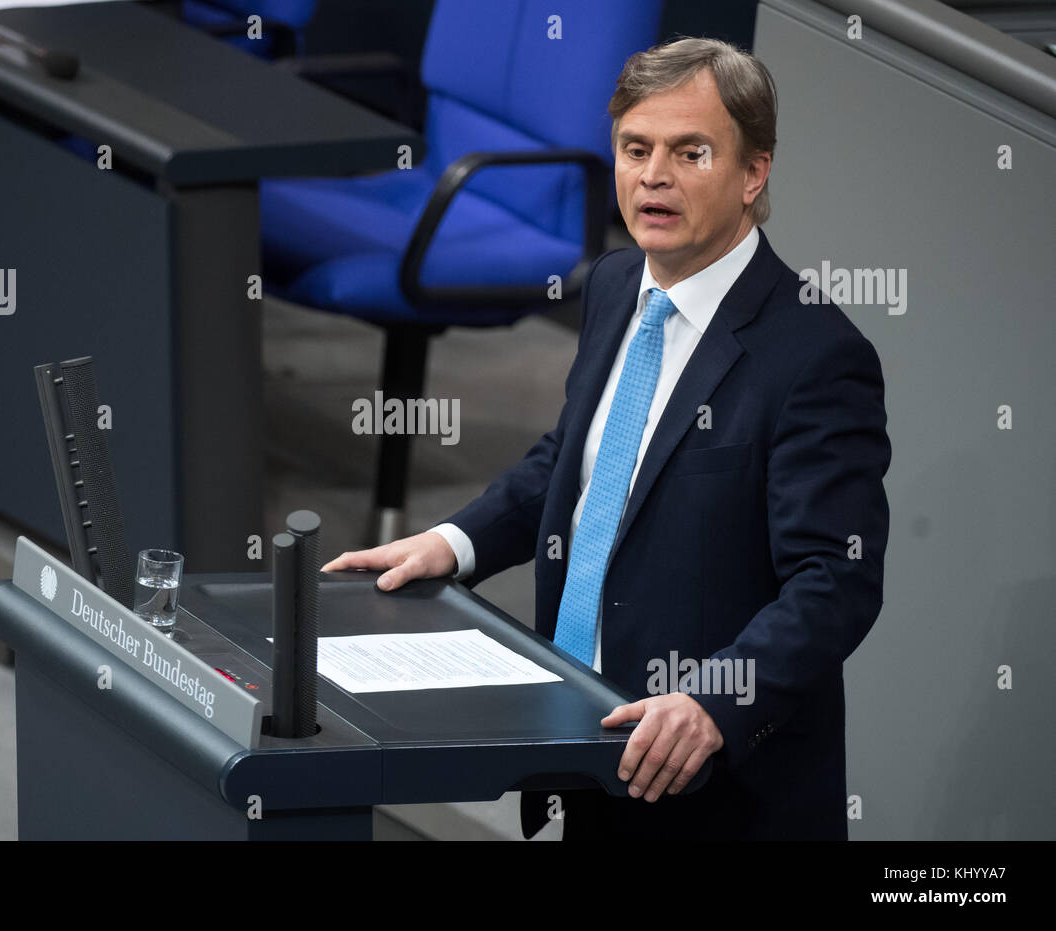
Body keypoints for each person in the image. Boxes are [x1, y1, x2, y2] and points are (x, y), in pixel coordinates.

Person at [322, 37, 891, 840]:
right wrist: (452, 542)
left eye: (691, 151)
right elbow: (576, 460)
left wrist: (713, 702)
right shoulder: (617, 284)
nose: (654, 175)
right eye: (635, 148)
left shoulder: (816, 356)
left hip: (711, 787)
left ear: (753, 172)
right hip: (591, 743)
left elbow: (834, 582)